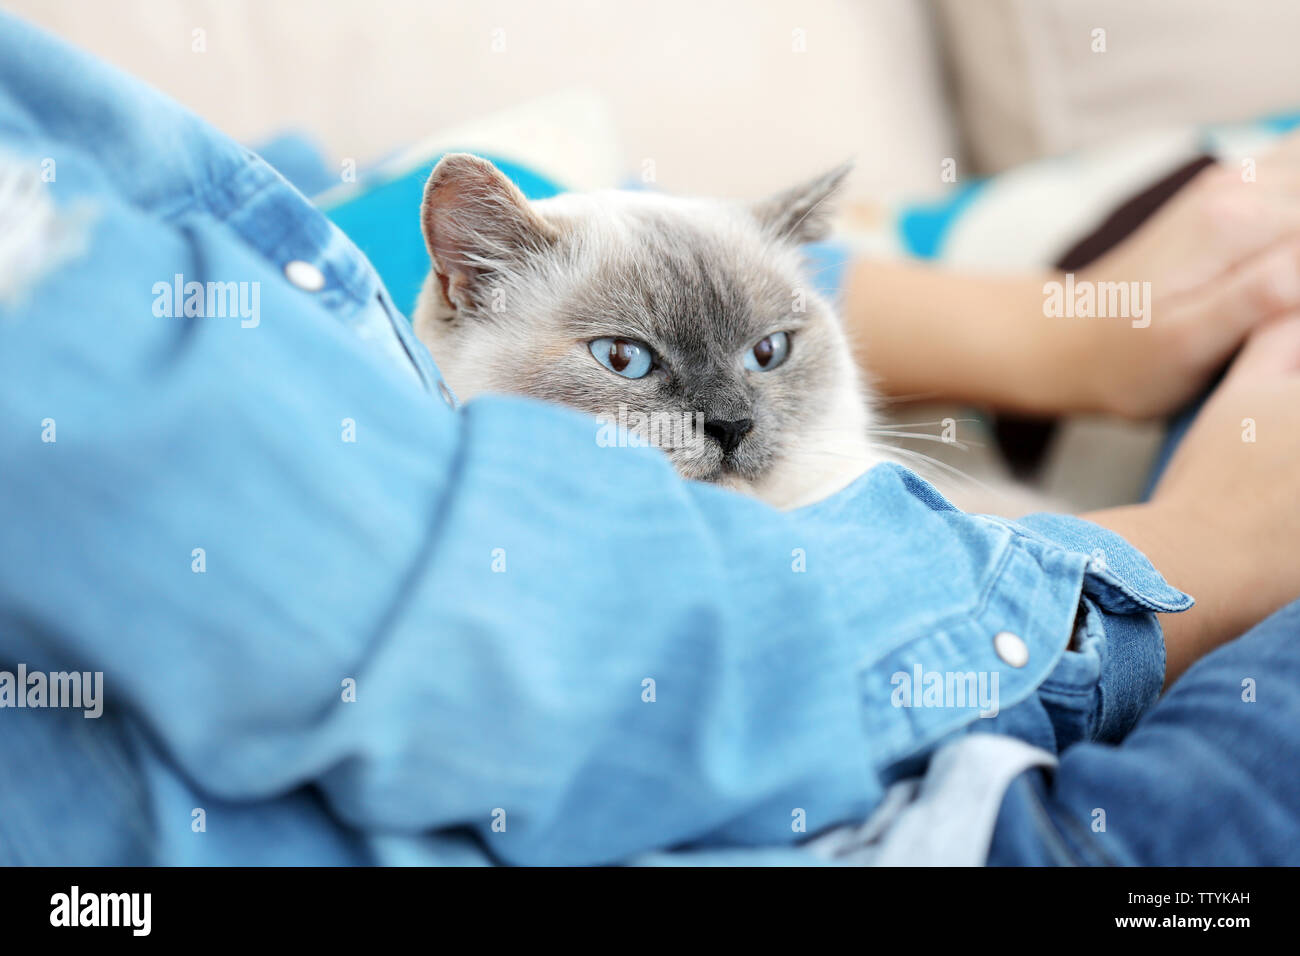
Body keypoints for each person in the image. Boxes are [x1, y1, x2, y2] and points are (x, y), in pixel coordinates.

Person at [0, 12, 1296, 866]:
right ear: (471, 289)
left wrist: (1053, 335)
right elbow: (496, 637)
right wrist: (1175, 558)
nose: (730, 422)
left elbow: (325, 226)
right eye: (628, 370)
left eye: (765, 363)